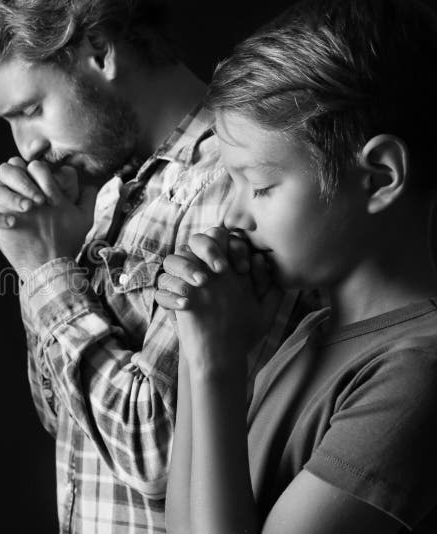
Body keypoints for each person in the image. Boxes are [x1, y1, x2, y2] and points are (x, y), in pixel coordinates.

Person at [0, 1, 303, 531]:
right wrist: (53, 262)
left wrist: (44, 271)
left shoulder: (234, 183)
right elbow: (64, 421)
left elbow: (156, 453)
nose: (27, 147)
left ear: (100, 52)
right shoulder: (116, 189)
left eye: (30, 110)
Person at [156, 0, 437, 531]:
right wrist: (204, 356)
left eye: (259, 185)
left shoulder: (415, 374)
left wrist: (216, 368)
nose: (234, 217)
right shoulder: (308, 336)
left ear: (378, 177)